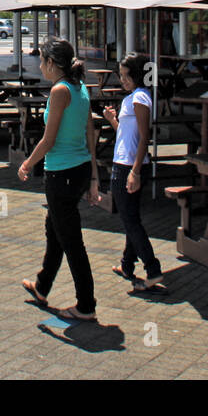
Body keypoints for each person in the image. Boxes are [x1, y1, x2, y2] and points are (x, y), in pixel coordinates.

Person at [18, 38, 99, 321]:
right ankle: (42, 286)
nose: (40, 66)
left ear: (52, 63)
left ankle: (86, 305)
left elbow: (48, 139)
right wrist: (93, 177)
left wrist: (27, 162)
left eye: (42, 61)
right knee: (55, 231)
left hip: (62, 173)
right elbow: (91, 131)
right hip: (78, 170)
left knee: (71, 241)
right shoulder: (80, 87)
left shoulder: (60, 90)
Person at [103, 53, 166, 294]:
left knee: (130, 221)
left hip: (129, 166)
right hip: (125, 162)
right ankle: (127, 265)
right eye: (121, 75)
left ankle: (152, 269)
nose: (123, 80)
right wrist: (112, 120)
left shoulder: (140, 97)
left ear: (137, 75)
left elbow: (143, 138)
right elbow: (125, 136)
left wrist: (135, 171)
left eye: (126, 75)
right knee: (131, 218)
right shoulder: (133, 98)